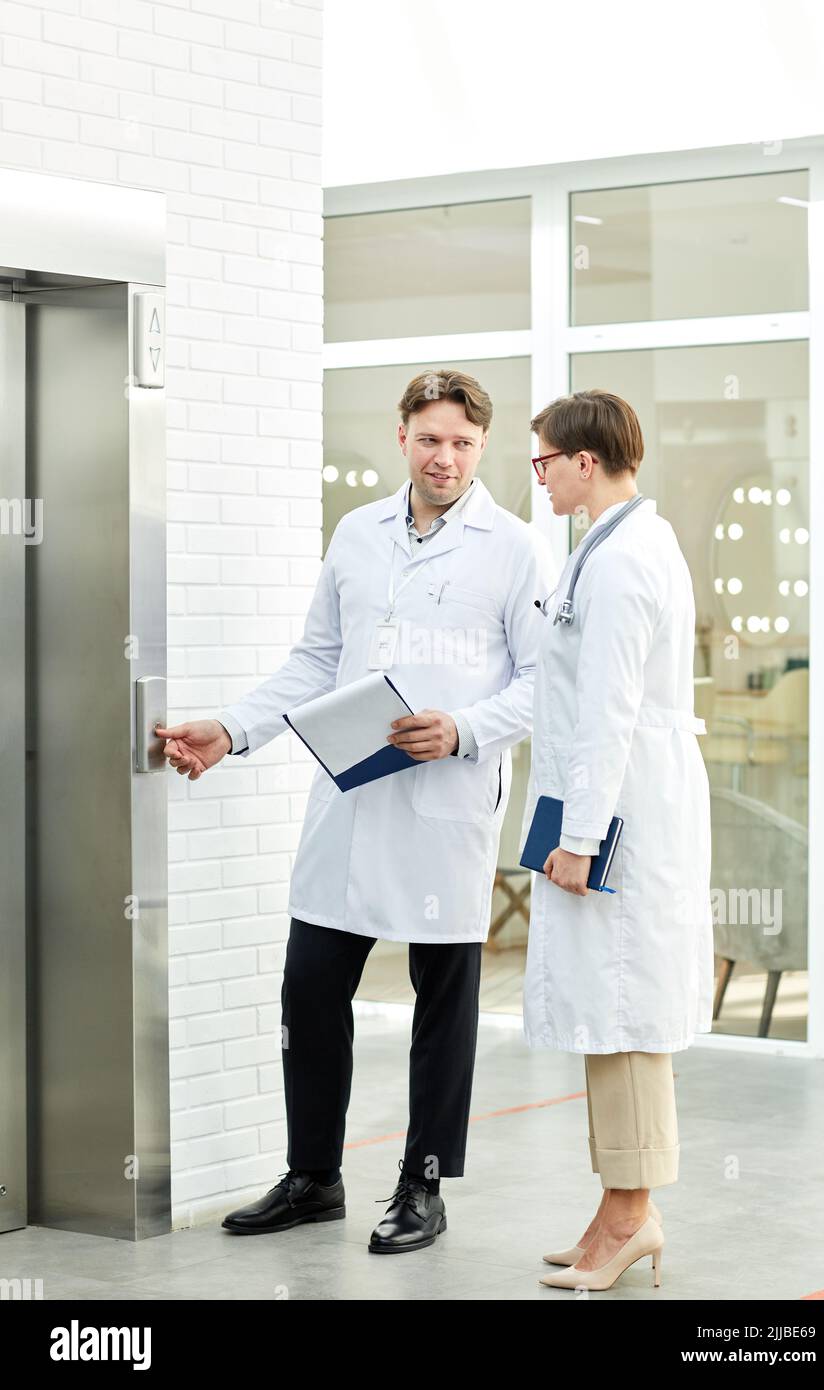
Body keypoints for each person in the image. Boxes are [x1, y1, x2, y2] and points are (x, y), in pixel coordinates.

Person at [156, 368, 557, 1254]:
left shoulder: (516, 548)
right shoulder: (357, 533)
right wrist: (231, 728)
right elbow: (315, 661)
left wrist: (461, 731)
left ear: (481, 446)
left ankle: (423, 1184)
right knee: (310, 987)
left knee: (441, 1002)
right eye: (428, 439)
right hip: (350, 800)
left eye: (460, 442)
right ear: (402, 439)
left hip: (446, 801)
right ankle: (313, 1176)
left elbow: (541, 683)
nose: (444, 457)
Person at [521, 389, 714, 1292]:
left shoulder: (629, 556)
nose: (541, 475)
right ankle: (618, 1209)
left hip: (621, 810)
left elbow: (608, 711)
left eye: (544, 461)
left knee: (630, 1015)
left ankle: (632, 1218)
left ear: (584, 462)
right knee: (611, 1012)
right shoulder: (609, 546)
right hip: (616, 796)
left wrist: (580, 838)